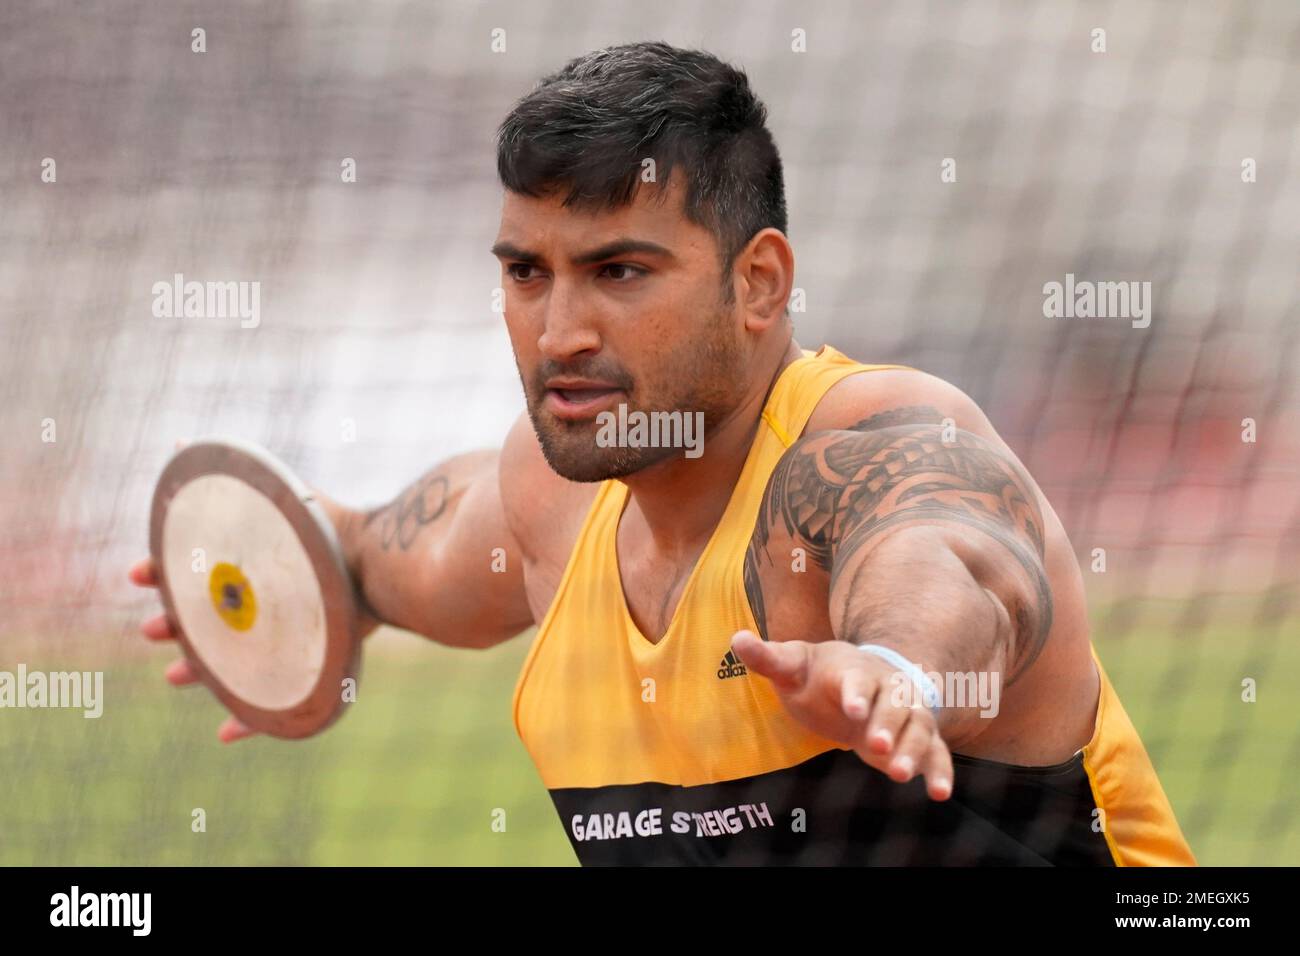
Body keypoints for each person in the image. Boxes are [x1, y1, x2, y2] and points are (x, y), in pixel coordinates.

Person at [131, 41, 1194, 866]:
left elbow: (947, 557)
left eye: (621, 271)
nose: (559, 333)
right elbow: (369, 557)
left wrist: (892, 671)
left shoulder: (876, 440)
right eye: (526, 273)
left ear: (758, 283)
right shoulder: (542, 510)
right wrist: (286, 581)